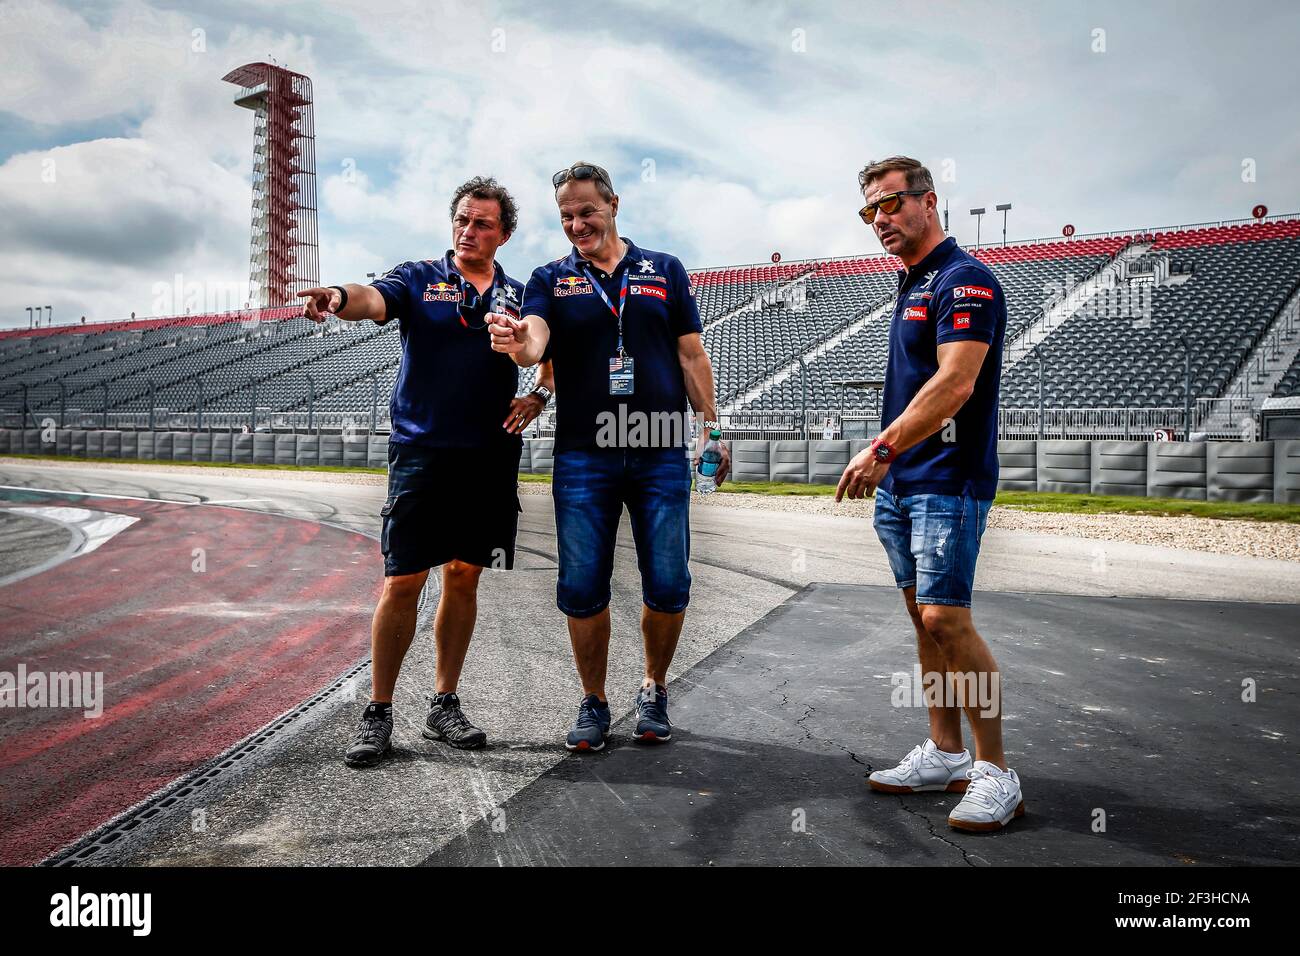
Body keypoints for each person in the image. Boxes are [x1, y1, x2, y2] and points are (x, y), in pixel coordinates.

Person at [298, 176, 554, 767]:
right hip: (422, 453)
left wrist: (539, 398)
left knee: (464, 575)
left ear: (504, 234)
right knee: (403, 580)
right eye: (462, 219)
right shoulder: (420, 277)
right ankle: (379, 711)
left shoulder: (519, 296)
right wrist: (338, 295)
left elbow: (550, 355)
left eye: (483, 223)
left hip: (490, 456)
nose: (469, 230)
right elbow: (373, 299)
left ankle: (444, 704)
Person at [489, 161, 729, 751]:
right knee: (581, 583)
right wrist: (523, 345)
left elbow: (691, 355)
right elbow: (538, 338)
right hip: (583, 454)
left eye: (586, 211)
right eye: (566, 215)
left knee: (669, 581)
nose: (576, 224)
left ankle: (653, 687)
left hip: (658, 447)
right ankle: (593, 701)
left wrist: (713, 428)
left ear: (613, 204)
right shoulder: (550, 278)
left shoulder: (664, 269)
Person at [835, 156, 1022, 832]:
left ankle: (996, 770)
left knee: (947, 619)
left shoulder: (963, 279)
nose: (879, 220)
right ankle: (946, 752)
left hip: (947, 478)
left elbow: (955, 385)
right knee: (923, 621)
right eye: (870, 211)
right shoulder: (912, 281)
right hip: (906, 484)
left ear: (928, 200)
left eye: (890, 204)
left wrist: (881, 448)